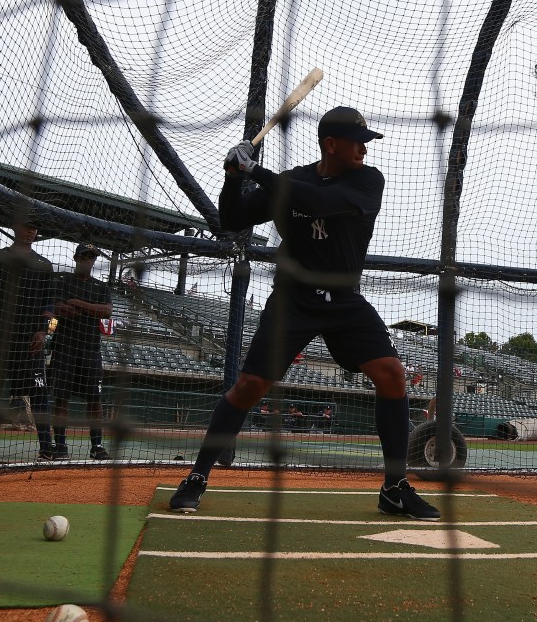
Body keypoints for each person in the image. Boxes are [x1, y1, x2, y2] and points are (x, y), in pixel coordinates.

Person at [169, 106, 438, 519]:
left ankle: (394, 487)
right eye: (357, 142)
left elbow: (321, 201)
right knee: (249, 386)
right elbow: (232, 217)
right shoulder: (293, 178)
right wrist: (232, 176)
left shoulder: (368, 181)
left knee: (392, 374)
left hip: (344, 299)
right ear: (331, 144)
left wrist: (256, 172)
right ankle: (197, 476)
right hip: (293, 299)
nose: (364, 149)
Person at [0, 217, 54, 464]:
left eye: (33, 226)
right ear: (14, 227)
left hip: (30, 340)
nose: (30, 230)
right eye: (25, 225)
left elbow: (48, 305)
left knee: (39, 394)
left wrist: (43, 331)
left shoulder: (44, 264)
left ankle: (47, 448)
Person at [46, 243, 113, 460]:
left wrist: (77, 303)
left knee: (95, 399)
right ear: (76, 258)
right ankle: (60, 446)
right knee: (61, 398)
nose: (88, 260)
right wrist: (86, 309)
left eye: (91, 257)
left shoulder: (100, 286)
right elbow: (58, 308)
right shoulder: (62, 280)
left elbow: (106, 312)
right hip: (64, 346)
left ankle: (97, 446)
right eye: (84, 256)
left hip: (90, 348)